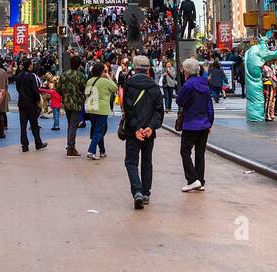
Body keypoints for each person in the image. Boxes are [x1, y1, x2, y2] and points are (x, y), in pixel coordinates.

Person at [120, 56, 165, 209]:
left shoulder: (129, 85)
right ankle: (146, 192)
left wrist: (136, 128)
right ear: (148, 69)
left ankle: (137, 190)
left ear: (135, 67)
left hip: (134, 131)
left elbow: (128, 109)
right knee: (147, 161)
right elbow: (159, 110)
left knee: (131, 161)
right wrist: (151, 127)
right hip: (149, 131)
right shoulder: (154, 87)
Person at [175, 57, 214, 192]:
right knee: (200, 153)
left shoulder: (187, 85)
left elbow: (179, 101)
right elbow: (209, 105)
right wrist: (210, 123)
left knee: (185, 151)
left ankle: (192, 179)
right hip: (204, 123)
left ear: (186, 71)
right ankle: (201, 181)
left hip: (191, 123)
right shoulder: (204, 84)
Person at [84, 62, 118, 160]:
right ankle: (91, 150)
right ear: (102, 71)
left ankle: (102, 151)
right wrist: (108, 76)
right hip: (102, 109)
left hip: (91, 108)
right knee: (99, 131)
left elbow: (86, 94)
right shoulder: (105, 81)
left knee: (97, 130)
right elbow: (115, 88)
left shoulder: (89, 81)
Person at [13, 58, 47, 152]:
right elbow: (35, 90)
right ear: (29, 65)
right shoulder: (31, 76)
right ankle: (38, 143)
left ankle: (24, 145)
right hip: (31, 103)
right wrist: (37, 100)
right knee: (34, 124)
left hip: (22, 103)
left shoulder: (19, 76)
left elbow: (18, 88)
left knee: (23, 126)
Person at [57, 62, 87, 158]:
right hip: (77, 104)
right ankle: (71, 148)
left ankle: (69, 145)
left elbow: (58, 89)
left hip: (66, 103)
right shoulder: (81, 75)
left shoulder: (64, 75)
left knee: (70, 124)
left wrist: (65, 95)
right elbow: (85, 88)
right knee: (73, 126)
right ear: (78, 66)